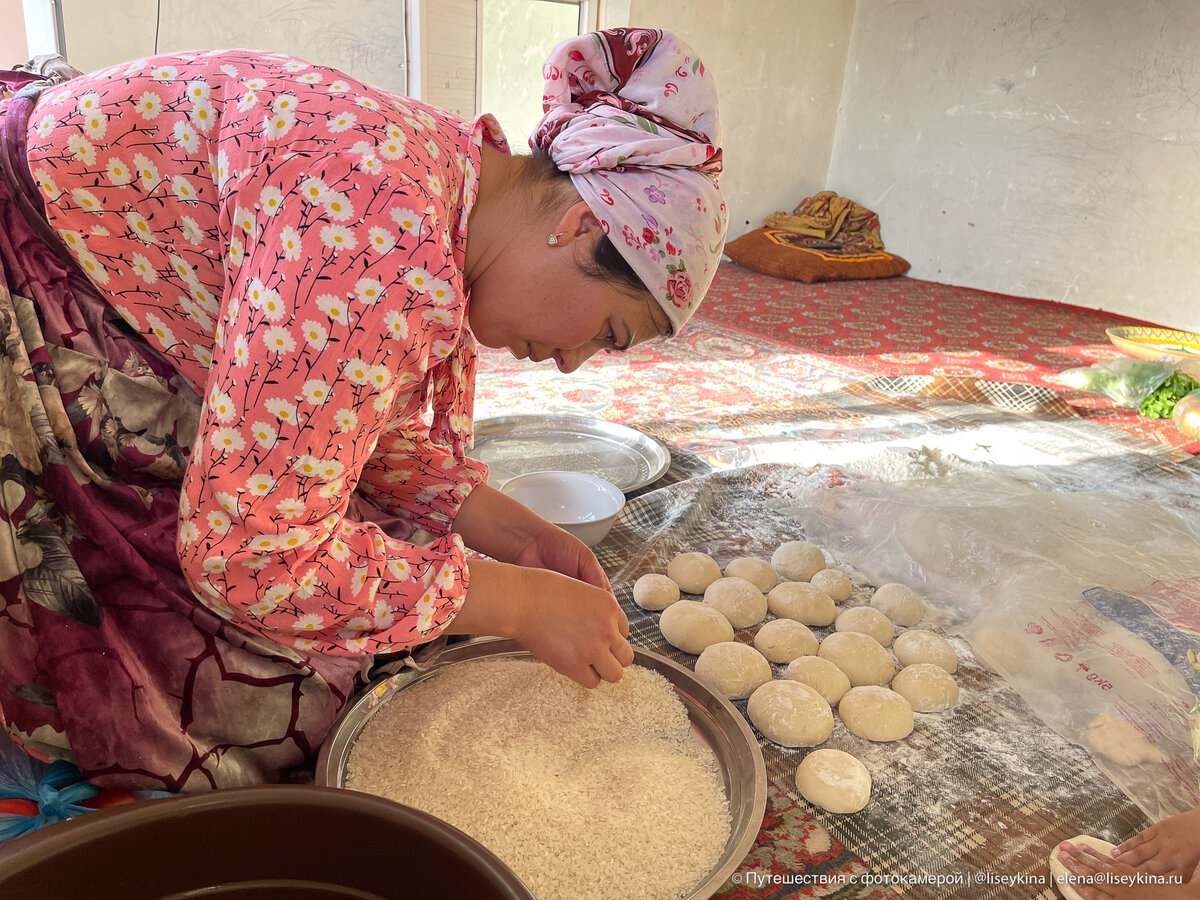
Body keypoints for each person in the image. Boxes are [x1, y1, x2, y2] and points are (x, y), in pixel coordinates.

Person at [0, 29, 726, 790]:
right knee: (247, 698)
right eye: (608, 331)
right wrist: (514, 603)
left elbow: (327, 400)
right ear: (579, 225)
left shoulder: (442, 172)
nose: (574, 360)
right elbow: (246, 557)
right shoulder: (378, 243)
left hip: (95, 229)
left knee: (374, 567)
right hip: (41, 266)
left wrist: (499, 526)